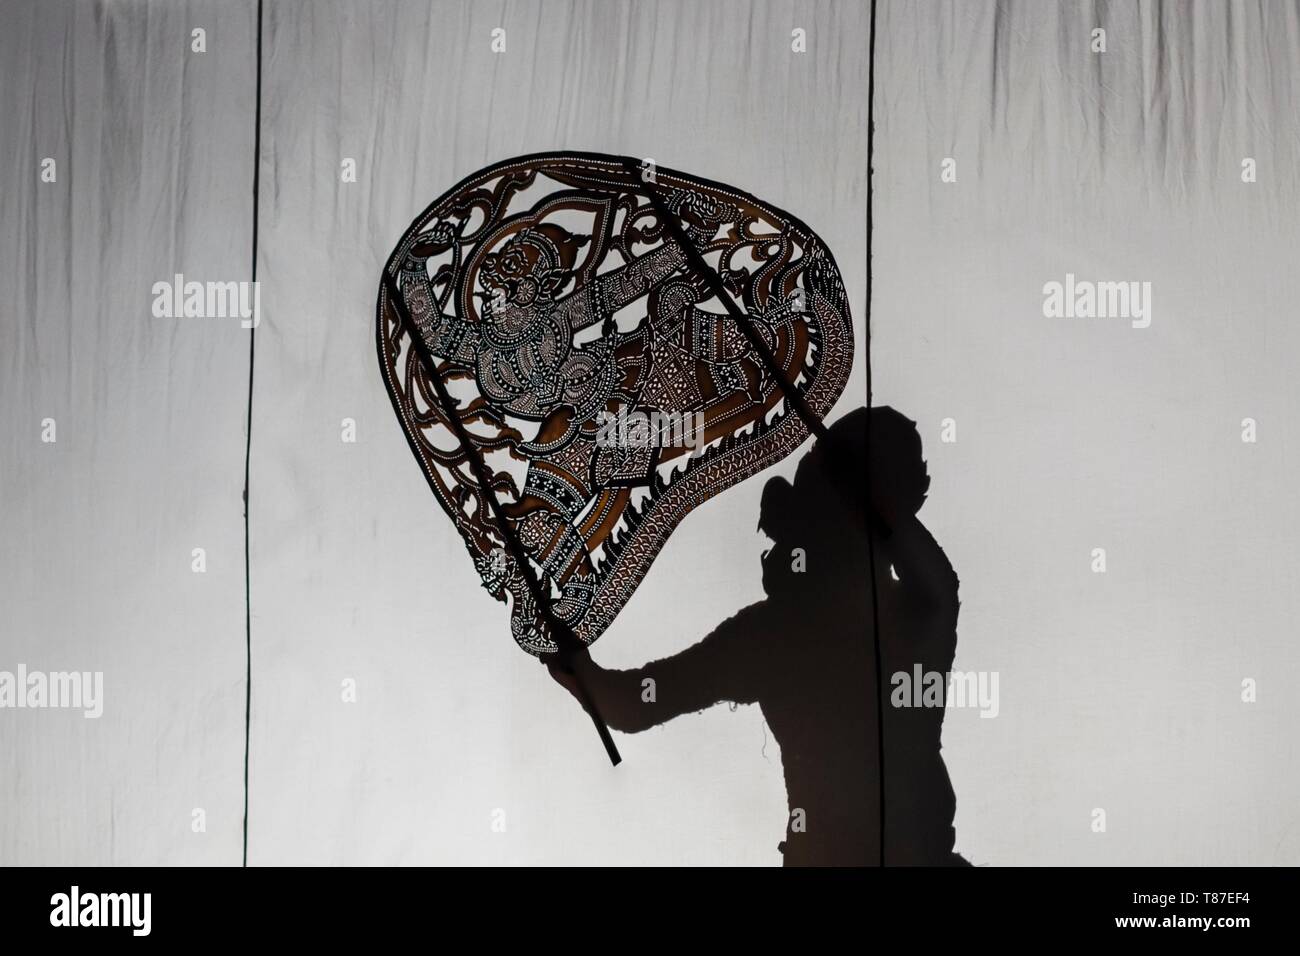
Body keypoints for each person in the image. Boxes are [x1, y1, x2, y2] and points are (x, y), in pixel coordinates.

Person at [548, 407, 968, 865]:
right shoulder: (897, 617)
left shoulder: (780, 634)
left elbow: (631, 703)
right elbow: (632, 703)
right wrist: (581, 673)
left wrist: (580, 673)